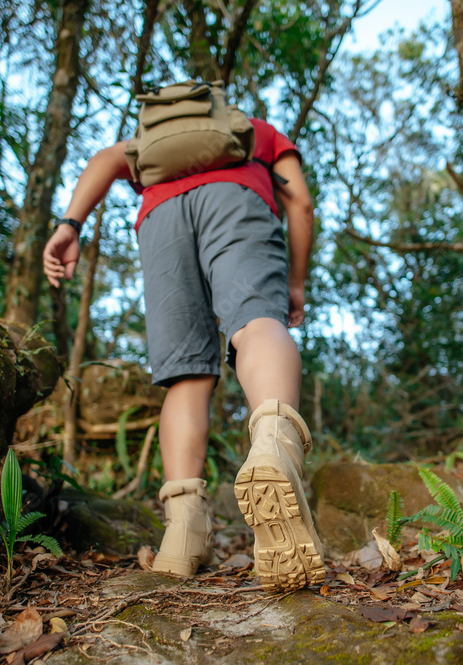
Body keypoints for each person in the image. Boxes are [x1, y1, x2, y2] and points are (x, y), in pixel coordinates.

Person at [42, 115, 325, 593]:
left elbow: (106, 160)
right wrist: (295, 282)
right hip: (238, 202)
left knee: (186, 375)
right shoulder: (259, 131)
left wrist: (70, 224)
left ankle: (183, 533)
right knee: (257, 323)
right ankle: (275, 447)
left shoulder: (155, 144)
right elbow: (300, 201)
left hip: (160, 218)